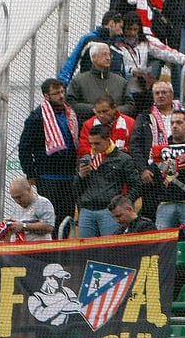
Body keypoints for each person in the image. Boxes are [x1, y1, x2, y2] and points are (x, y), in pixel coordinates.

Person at [18, 79, 80, 232]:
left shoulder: (70, 113)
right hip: (47, 177)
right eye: (56, 93)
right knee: (51, 216)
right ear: (46, 96)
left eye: (62, 92)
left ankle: (64, 248)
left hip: (69, 175)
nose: (61, 96)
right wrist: (30, 173)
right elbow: (25, 147)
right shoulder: (37, 117)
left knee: (68, 215)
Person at [65, 44, 133, 121]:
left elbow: (130, 105)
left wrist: (114, 111)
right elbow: (71, 104)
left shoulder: (121, 82)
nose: (108, 58)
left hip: (117, 127)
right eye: (104, 54)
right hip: (90, 128)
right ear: (94, 58)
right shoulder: (79, 81)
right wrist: (95, 109)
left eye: (109, 55)